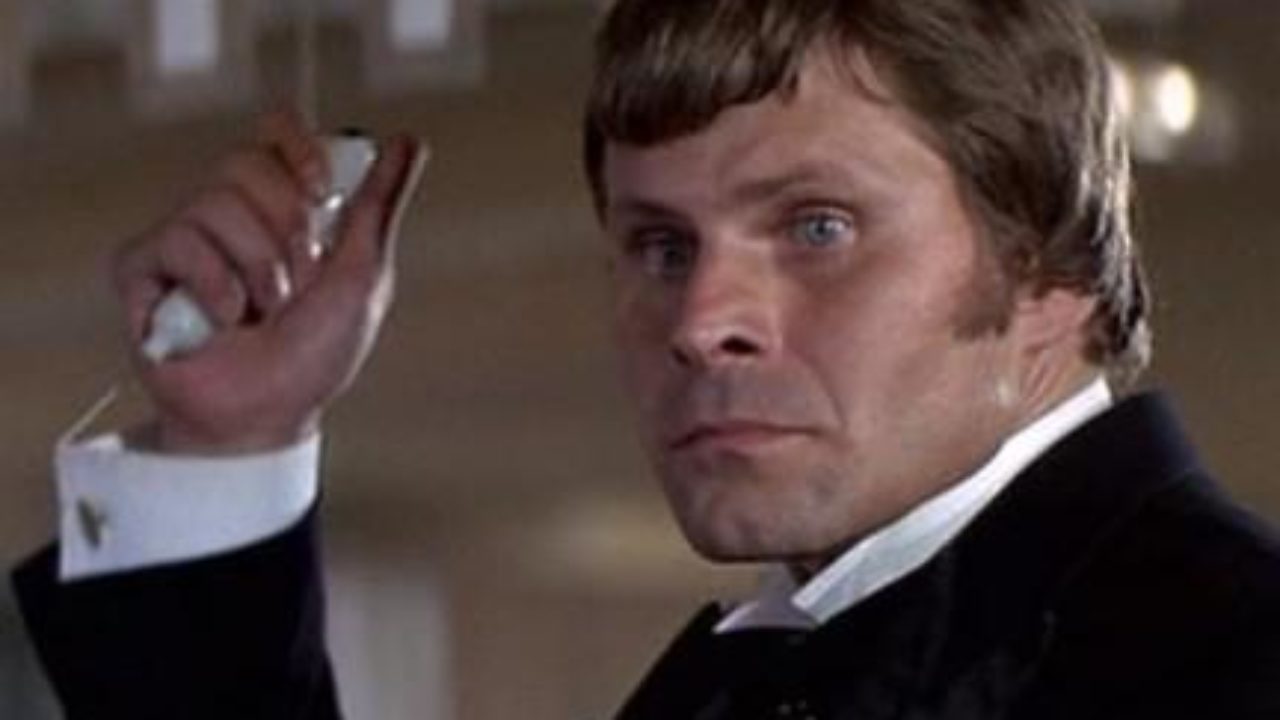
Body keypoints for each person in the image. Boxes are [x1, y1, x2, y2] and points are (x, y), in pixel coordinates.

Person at [12, 0, 1280, 718]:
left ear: (1051, 270)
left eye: (817, 228)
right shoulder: (766, 667)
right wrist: (233, 444)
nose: (699, 316)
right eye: (662, 245)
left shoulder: (1225, 661)